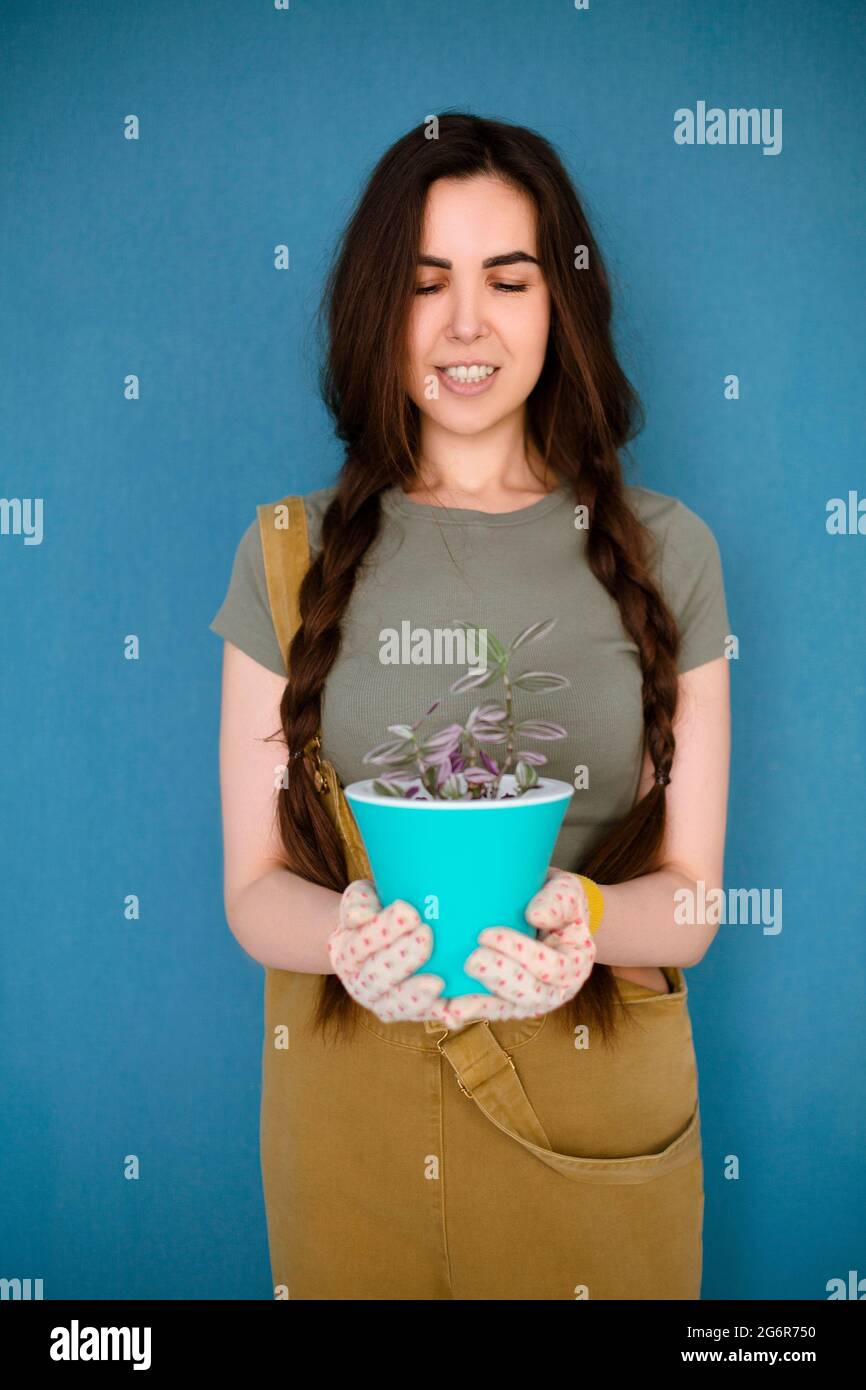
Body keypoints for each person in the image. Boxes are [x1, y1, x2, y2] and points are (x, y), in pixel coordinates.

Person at [210, 113, 731, 1300]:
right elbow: (251, 890)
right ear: (374, 310)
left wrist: (582, 919)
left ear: (560, 306)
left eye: (507, 279)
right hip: (345, 1124)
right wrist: (345, 942)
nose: (463, 325)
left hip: (592, 1112)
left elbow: (693, 900)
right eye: (424, 282)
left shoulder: (668, 552)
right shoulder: (283, 553)